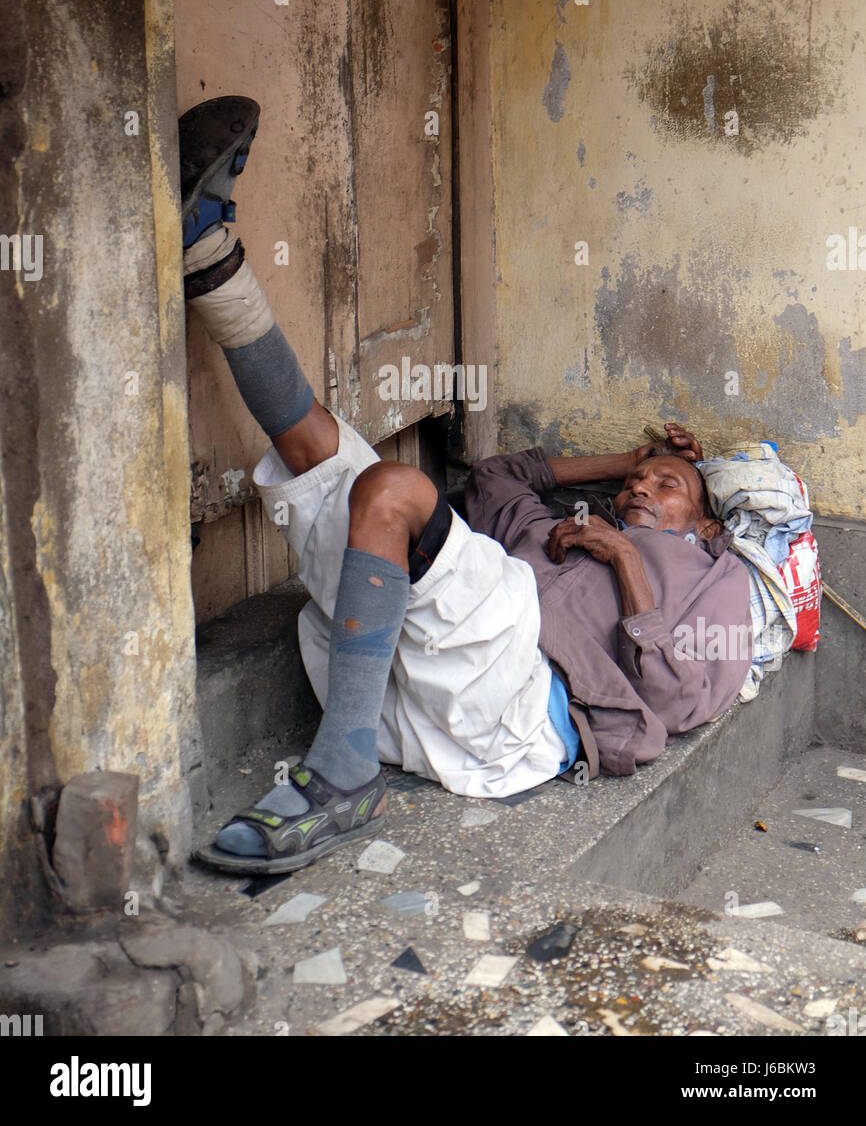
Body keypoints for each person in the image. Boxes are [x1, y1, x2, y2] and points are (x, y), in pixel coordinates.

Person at [180, 98, 753, 878]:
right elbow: (496, 477)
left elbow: (682, 697)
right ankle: (208, 254)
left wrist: (624, 557)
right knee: (319, 448)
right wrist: (620, 464)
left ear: (709, 523)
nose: (646, 488)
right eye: (638, 481)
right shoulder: (562, 527)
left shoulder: (712, 575)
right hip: (429, 688)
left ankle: (343, 777)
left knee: (388, 489)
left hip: (525, 710)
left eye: (670, 484)